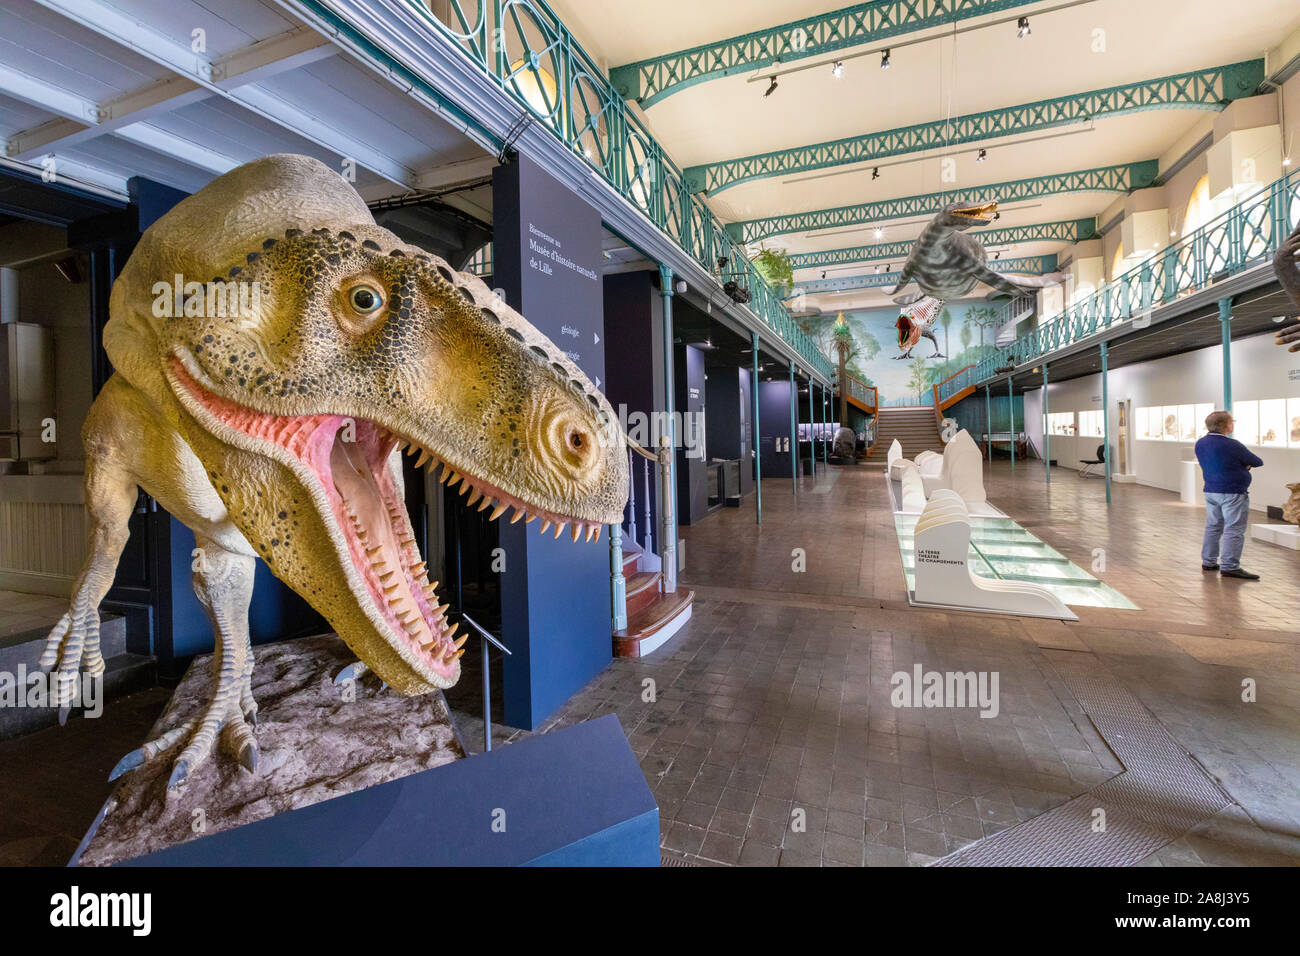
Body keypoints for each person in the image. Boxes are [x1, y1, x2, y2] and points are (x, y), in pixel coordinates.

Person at [1194, 410, 1264, 580]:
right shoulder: (1232, 444)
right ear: (1225, 425)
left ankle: (1209, 561)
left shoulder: (1201, 443)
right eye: (1231, 422)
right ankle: (1230, 566)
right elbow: (1257, 461)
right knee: (1234, 528)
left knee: (1213, 526)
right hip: (1232, 491)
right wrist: (1243, 466)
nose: (1232, 425)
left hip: (1211, 490)